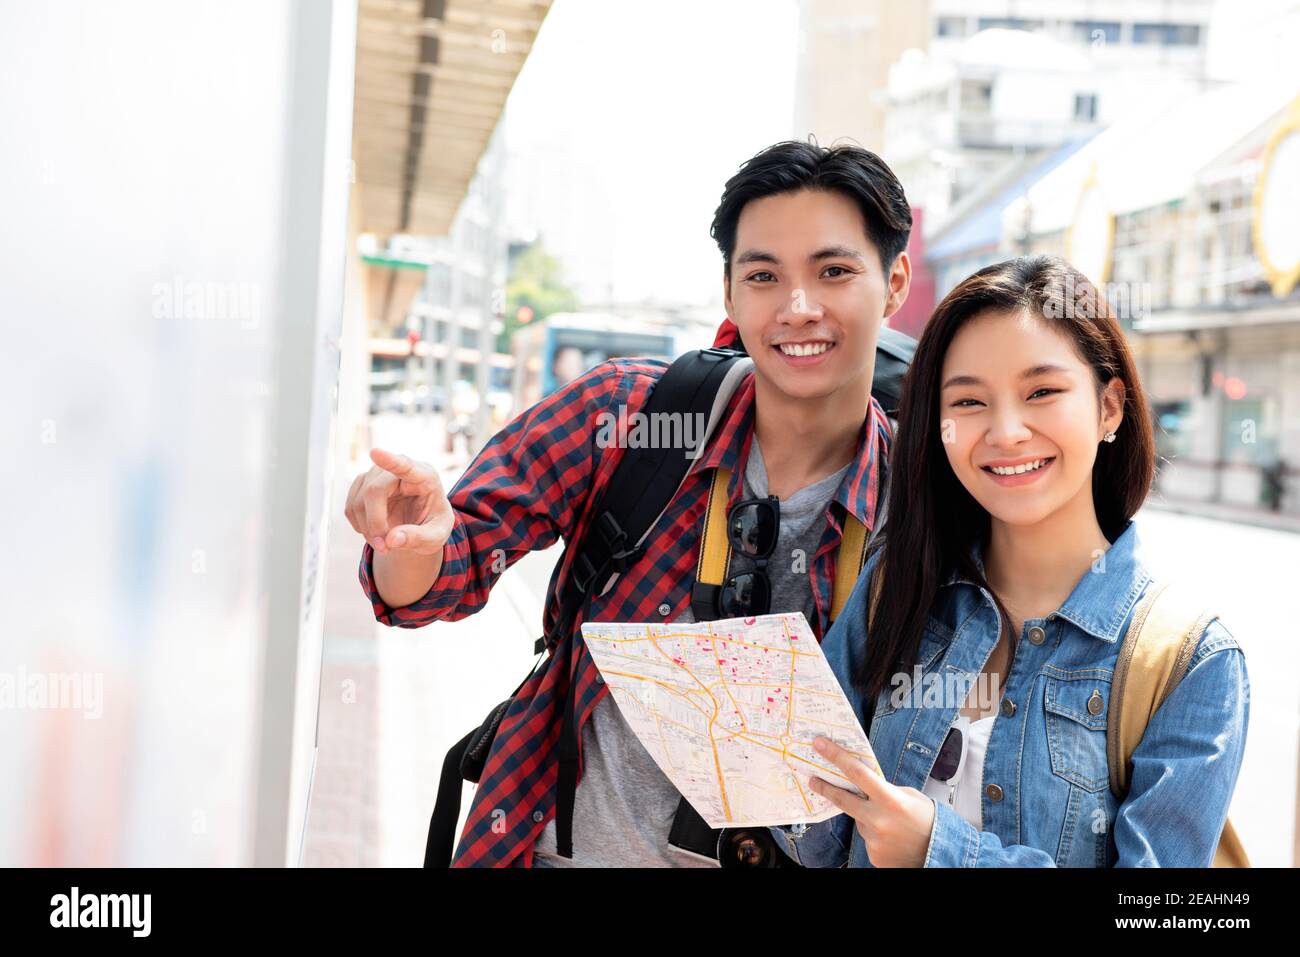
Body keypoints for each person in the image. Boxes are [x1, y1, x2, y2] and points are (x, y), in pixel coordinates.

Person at [343, 140, 913, 867]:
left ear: (894, 282)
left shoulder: (923, 504)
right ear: (731, 293)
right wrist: (413, 542)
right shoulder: (630, 416)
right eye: (764, 275)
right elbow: (429, 586)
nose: (798, 308)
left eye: (833, 271)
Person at [772, 256, 1249, 867]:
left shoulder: (1192, 662)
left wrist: (938, 852)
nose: (1006, 432)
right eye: (969, 402)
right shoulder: (896, 585)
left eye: (1042, 392)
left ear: (1109, 407)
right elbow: (813, 829)